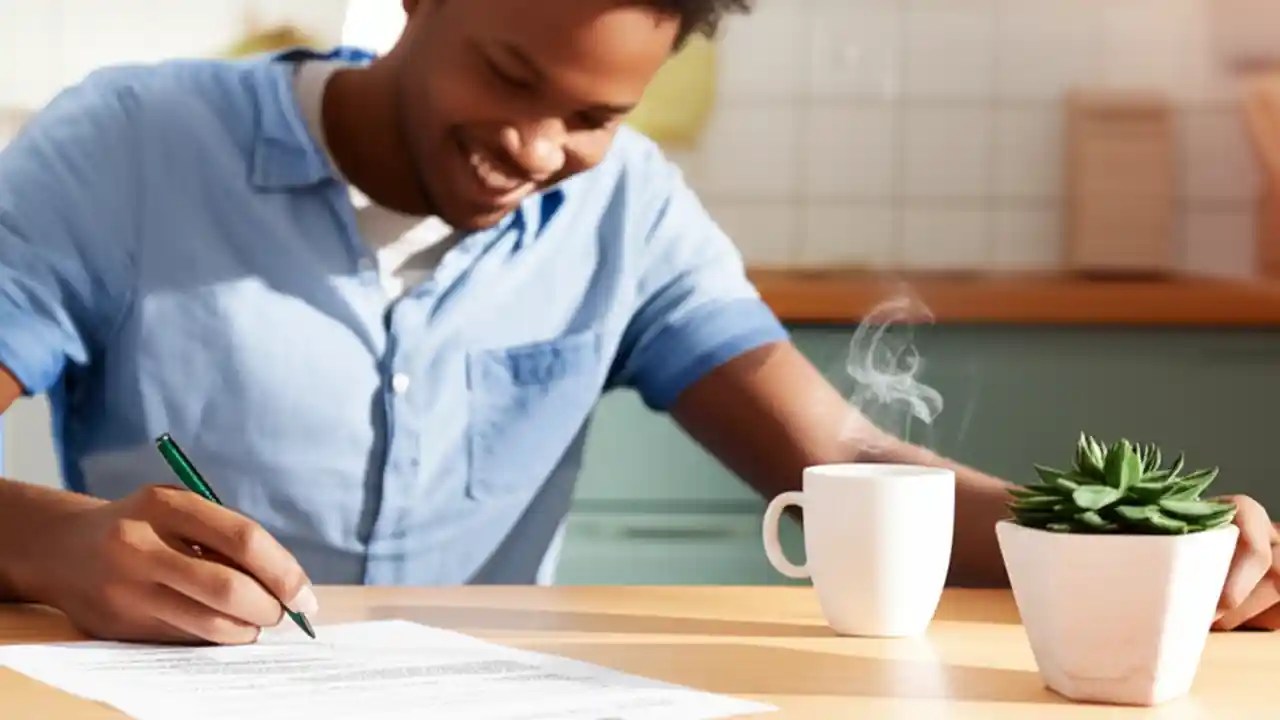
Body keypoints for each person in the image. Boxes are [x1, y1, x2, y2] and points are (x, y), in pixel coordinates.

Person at [0, 0, 1275, 645]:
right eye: (505, 76)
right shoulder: (126, 150)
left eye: (594, 116)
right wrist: (56, 545)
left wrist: (1124, 538)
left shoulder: (629, 213)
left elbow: (847, 463)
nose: (530, 149)